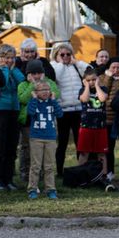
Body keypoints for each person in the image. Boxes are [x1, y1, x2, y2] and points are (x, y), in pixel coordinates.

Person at [17, 61, 60, 185]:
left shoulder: (49, 82)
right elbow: (23, 99)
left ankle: (43, 177)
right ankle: (26, 175)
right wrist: (33, 85)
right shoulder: (23, 85)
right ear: (28, 74)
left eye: (39, 73)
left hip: (46, 122)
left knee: (45, 151)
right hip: (28, 122)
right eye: (33, 73)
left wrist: (42, 86)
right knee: (27, 149)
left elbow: (55, 94)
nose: (36, 75)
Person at [50, 41, 87, 177]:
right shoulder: (54, 66)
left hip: (78, 109)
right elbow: (55, 77)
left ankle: (81, 168)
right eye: (62, 54)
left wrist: (76, 63)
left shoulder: (75, 66)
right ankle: (59, 171)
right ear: (57, 55)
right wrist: (60, 63)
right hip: (63, 110)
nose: (66, 56)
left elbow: (89, 71)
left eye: (68, 54)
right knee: (63, 142)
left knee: (80, 141)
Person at [0, 46, 26, 190]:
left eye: (12, 57)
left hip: (14, 110)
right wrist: (5, 68)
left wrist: (13, 68)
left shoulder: (13, 69)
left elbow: (23, 81)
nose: (10, 60)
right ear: (0, 58)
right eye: (7, 57)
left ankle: (8, 179)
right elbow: (3, 84)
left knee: (11, 148)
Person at [25, 82, 63, 200]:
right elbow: (30, 112)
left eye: (47, 89)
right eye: (42, 90)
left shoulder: (52, 103)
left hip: (50, 138)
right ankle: (32, 189)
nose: (45, 92)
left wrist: (53, 100)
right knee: (36, 166)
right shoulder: (34, 102)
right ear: (36, 92)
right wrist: (34, 99)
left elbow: (60, 114)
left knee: (49, 166)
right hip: (36, 138)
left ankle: (50, 189)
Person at [76, 66, 109, 180]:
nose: (91, 82)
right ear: (84, 81)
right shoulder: (82, 90)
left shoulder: (103, 89)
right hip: (86, 126)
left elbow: (102, 99)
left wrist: (97, 86)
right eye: (88, 80)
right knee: (84, 153)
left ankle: (103, 175)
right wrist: (86, 87)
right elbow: (84, 99)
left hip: (100, 127)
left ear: (98, 79)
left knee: (101, 153)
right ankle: (80, 175)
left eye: (93, 79)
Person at [99, 57, 119, 178]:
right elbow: (104, 90)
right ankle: (109, 171)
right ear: (108, 68)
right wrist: (109, 77)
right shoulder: (101, 77)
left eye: (118, 67)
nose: (116, 69)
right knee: (108, 147)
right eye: (113, 67)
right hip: (107, 118)